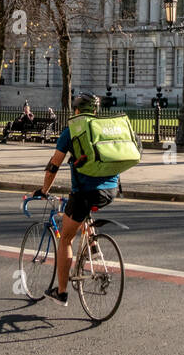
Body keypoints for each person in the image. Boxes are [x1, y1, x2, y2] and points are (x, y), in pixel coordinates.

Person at [33, 92, 120, 306]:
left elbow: (54, 164)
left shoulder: (72, 130)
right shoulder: (104, 127)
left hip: (85, 192)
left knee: (65, 238)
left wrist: (45, 189)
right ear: (95, 111)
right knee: (81, 215)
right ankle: (92, 246)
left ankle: (61, 292)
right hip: (111, 189)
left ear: (77, 110)